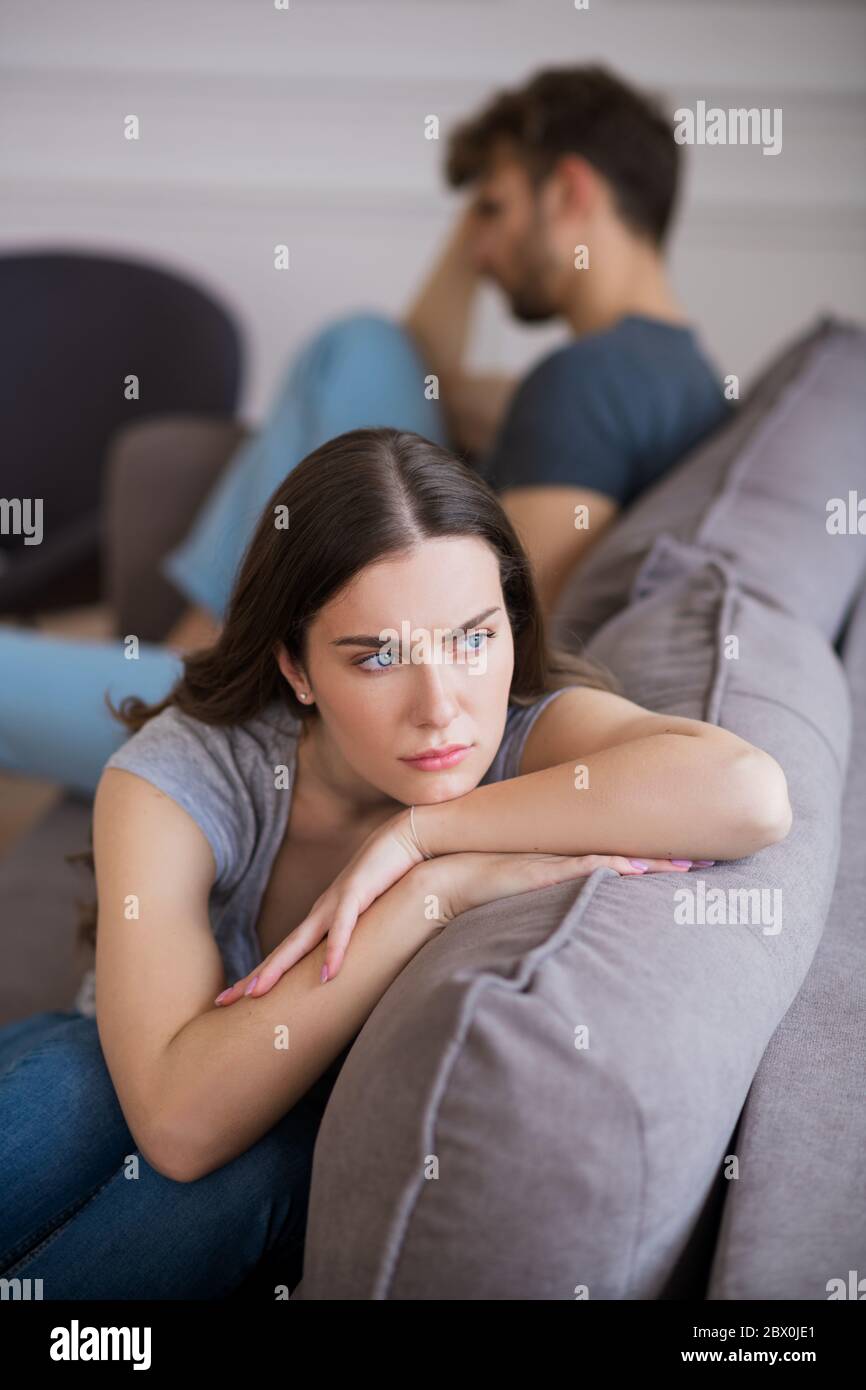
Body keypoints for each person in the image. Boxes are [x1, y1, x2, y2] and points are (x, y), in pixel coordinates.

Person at [0, 429, 790, 1298]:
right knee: (68, 1093)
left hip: (275, 1159)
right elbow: (176, 1116)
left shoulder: (525, 733)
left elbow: (751, 795)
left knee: (248, 1181)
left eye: (471, 638)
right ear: (296, 667)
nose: (442, 708)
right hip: (124, 1069)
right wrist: (429, 899)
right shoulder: (183, 772)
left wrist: (424, 845)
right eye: (379, 656)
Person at [0, 65, 729, 797]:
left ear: (571, 191)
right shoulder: (669, 373)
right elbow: (420, 364)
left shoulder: (582, 386)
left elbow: (506, 639)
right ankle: (197, 657)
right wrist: (483, 217)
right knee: (363, 343)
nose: (480, 250)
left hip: (312, 717)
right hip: (338, 660)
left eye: (494, 208)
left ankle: (192, 701)